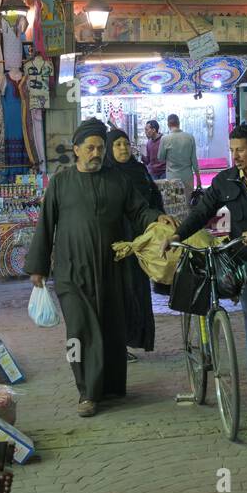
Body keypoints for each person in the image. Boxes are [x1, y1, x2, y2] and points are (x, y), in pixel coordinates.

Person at [25, 118, 165, 418]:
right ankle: (86, 392)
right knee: (79, 331)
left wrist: (156, 218)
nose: (96, 153)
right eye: (90, 148)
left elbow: (139, 211)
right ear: (76, 149)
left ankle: (109, 388)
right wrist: (38, 267)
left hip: (111, 269)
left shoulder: (118, 181)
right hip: (71, 272)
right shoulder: (61, 183)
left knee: (111, 328)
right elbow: (46, 225)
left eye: (100, 148)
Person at [167, 123, 247, 428]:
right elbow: (202, 212)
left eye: (240, 150)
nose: (235, 156)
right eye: (232, 150)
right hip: (246, 267)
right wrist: (177, 234)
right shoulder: (225, 181)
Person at [104, 128, 164, 361]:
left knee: (138, 290)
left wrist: (159, 219)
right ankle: (117, 345)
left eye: (126, 144)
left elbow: (154, 198)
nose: (123, 148)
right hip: (117, 242)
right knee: (118, 293)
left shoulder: (139, 170)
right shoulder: (105, 174)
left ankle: (134, 338)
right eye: (117, 144)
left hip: (141, 239)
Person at [159, 114, 200, 193]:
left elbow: (161, 158)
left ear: (168, 124)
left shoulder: (164, 139)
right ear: (179, 123)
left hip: (172, 177)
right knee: (187, 199)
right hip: (187, 177)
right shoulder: (190, 137)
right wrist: (198, 179)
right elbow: (194, 161)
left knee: (173, 200)